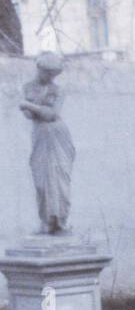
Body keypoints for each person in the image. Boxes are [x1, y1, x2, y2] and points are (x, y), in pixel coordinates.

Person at [19, 52, 76, 234]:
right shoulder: (28, 87)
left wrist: (30, 105)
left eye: (53, 75)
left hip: (59, 135)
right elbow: (29, 116)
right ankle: (46, 221)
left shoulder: (58, 90)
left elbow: (52, 115)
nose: (50, 78)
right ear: (39, 69)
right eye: (47, 73)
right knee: (41, 181)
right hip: (40, 136)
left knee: (60, 180)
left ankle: (60, 221)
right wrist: (36, 109)